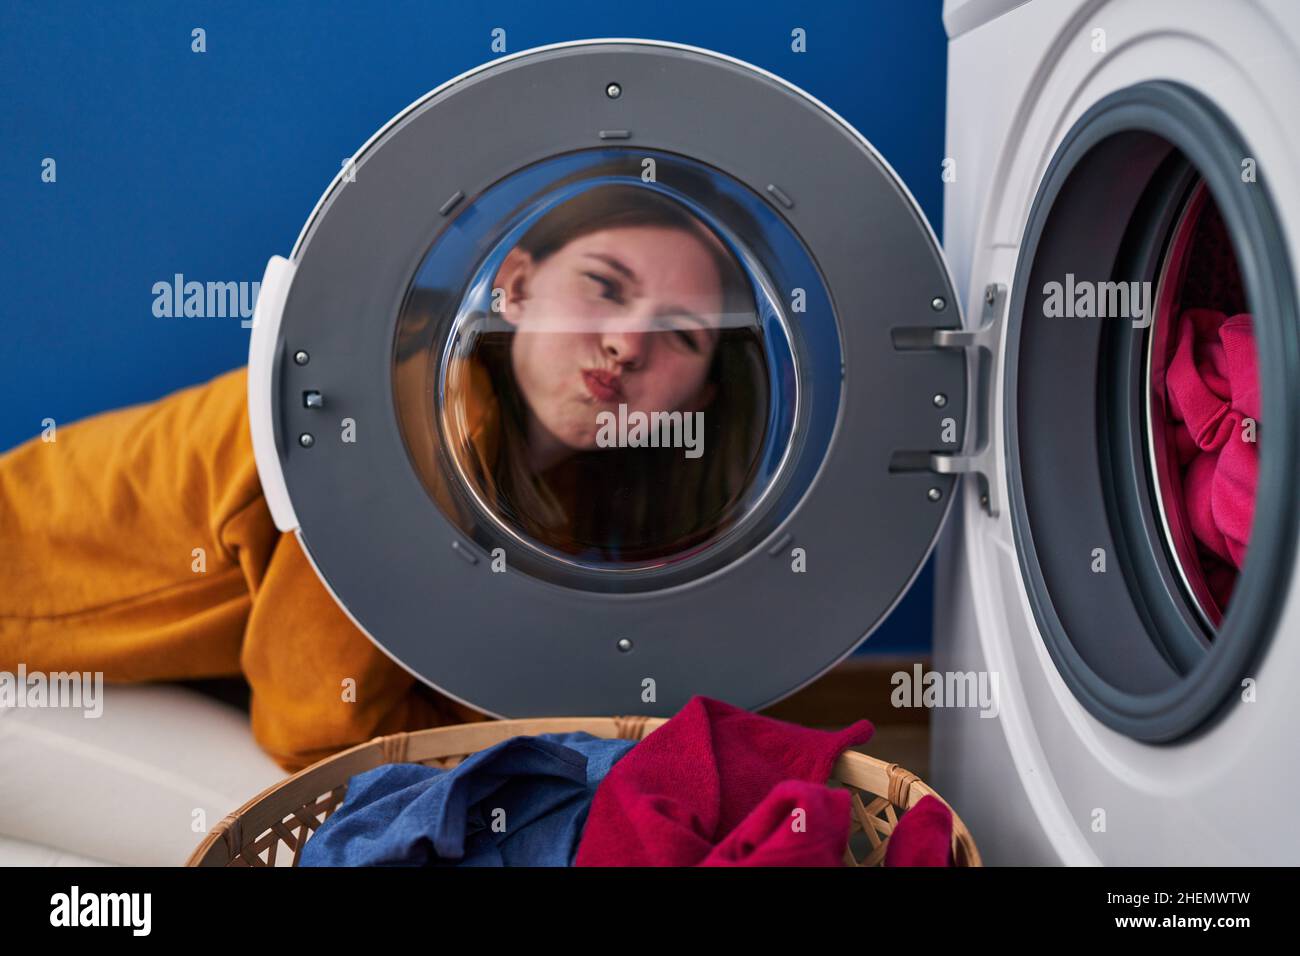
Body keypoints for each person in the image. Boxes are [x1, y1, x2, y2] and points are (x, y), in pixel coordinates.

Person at [0, 182, 770, 774]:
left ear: (699, 397)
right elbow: (316, 732)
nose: (628, 344)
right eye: (604, 286)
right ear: (518, 286)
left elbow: (463, 670)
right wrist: (569, 761)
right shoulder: (403, 427)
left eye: (679, 333)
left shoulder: (550, 487)